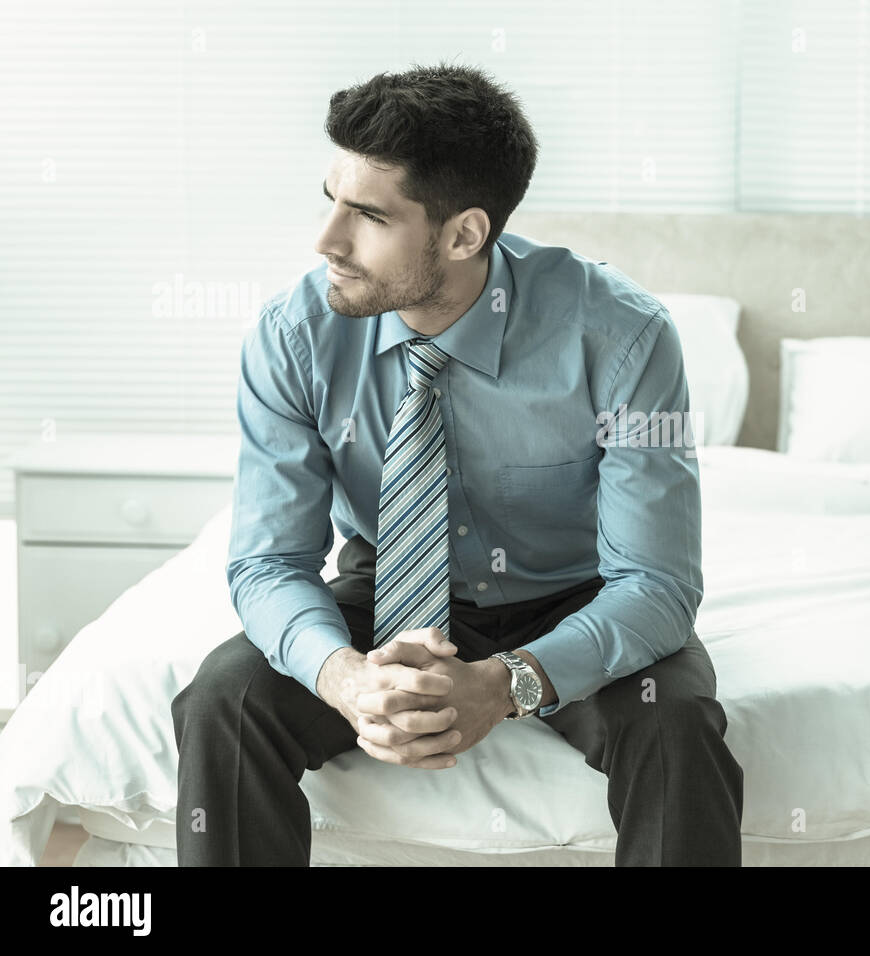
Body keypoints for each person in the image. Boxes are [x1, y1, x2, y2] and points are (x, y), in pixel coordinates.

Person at [170, 61, 744, 867]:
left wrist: (508, 683)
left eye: (368, 214)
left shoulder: (624, 337)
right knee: (225, 699)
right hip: (387, 586)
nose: (327, 240)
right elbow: (269, 562)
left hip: (576, 597)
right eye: (330, 200)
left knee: (675, 721)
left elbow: (658, 585)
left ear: (465, 233)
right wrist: (344, 678)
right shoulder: (293, 334)